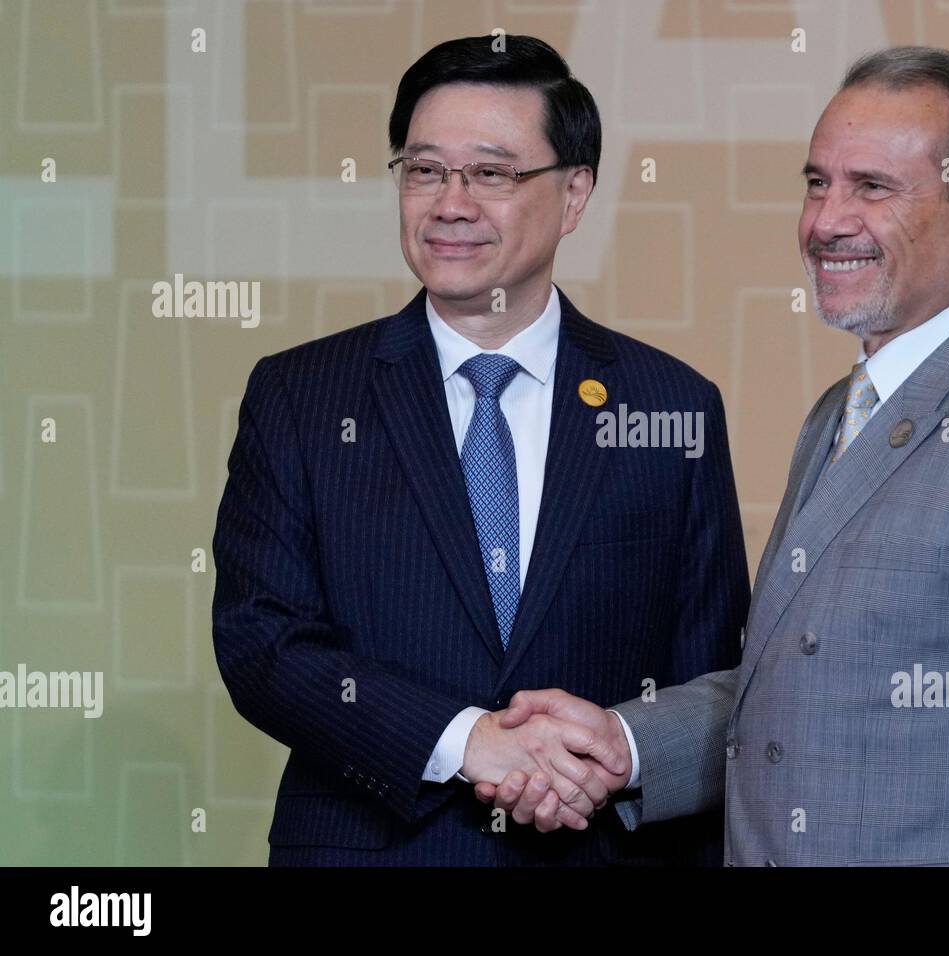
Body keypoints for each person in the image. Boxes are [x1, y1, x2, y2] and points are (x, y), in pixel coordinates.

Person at [479, 45, 949, 866]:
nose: (825, 222)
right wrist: (625, 742)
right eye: (817, 183)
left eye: (872, 187)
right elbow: (802, 688)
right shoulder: (841, 412)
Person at [211, 34, 748, 865]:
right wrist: (466, 741)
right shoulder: (301, 397)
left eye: (492, 174)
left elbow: (715, 685)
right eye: (424, 170)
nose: (450, 203)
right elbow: (263, 643)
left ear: (574, 195)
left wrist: (609, 752)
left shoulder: (672, 404)